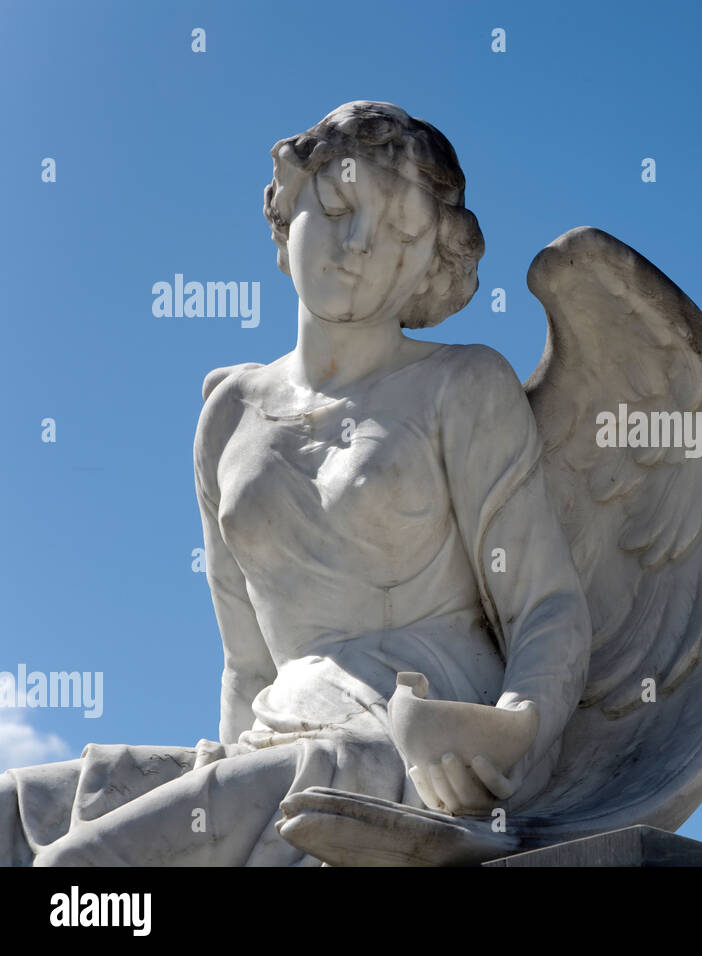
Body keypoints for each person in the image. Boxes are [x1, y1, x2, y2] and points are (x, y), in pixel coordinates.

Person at [0, 101, 592, 866]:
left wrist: (515, 727)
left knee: (81, 873)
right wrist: (221, 775)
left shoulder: (463, 385)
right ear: (287, 200)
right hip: (273, 738)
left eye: (402, 233)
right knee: (15, 813)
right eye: (339, 207)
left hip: (402, 755)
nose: (358, 247)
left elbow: (547, 603)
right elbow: (248, 662)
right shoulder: (228, 414)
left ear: (432, 261)